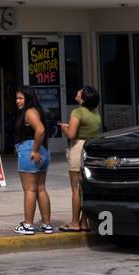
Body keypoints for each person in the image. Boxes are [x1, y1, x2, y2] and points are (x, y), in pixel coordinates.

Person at [59, 85, 102, 232]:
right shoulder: (95, 113)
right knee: (86, 189)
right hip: (90, 149)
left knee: (76, 190)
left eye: (80, 91)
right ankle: (84, 222)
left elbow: (71, 134)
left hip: (78, 149)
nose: (77, 91)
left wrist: (64, 128)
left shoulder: (77, 112)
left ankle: (74, 223)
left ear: (83, 98)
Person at [14, 88, 53, 234]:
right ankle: (46, 224)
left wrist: (34, 150)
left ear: (28, 98)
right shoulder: (37, 111)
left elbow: (40, 130)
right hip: (41, 150)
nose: (17, 101)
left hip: (31, 150)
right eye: (17, 98)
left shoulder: (29, 112)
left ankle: (28, 225)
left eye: (21, 98)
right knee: (41, 188)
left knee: (30, 189)